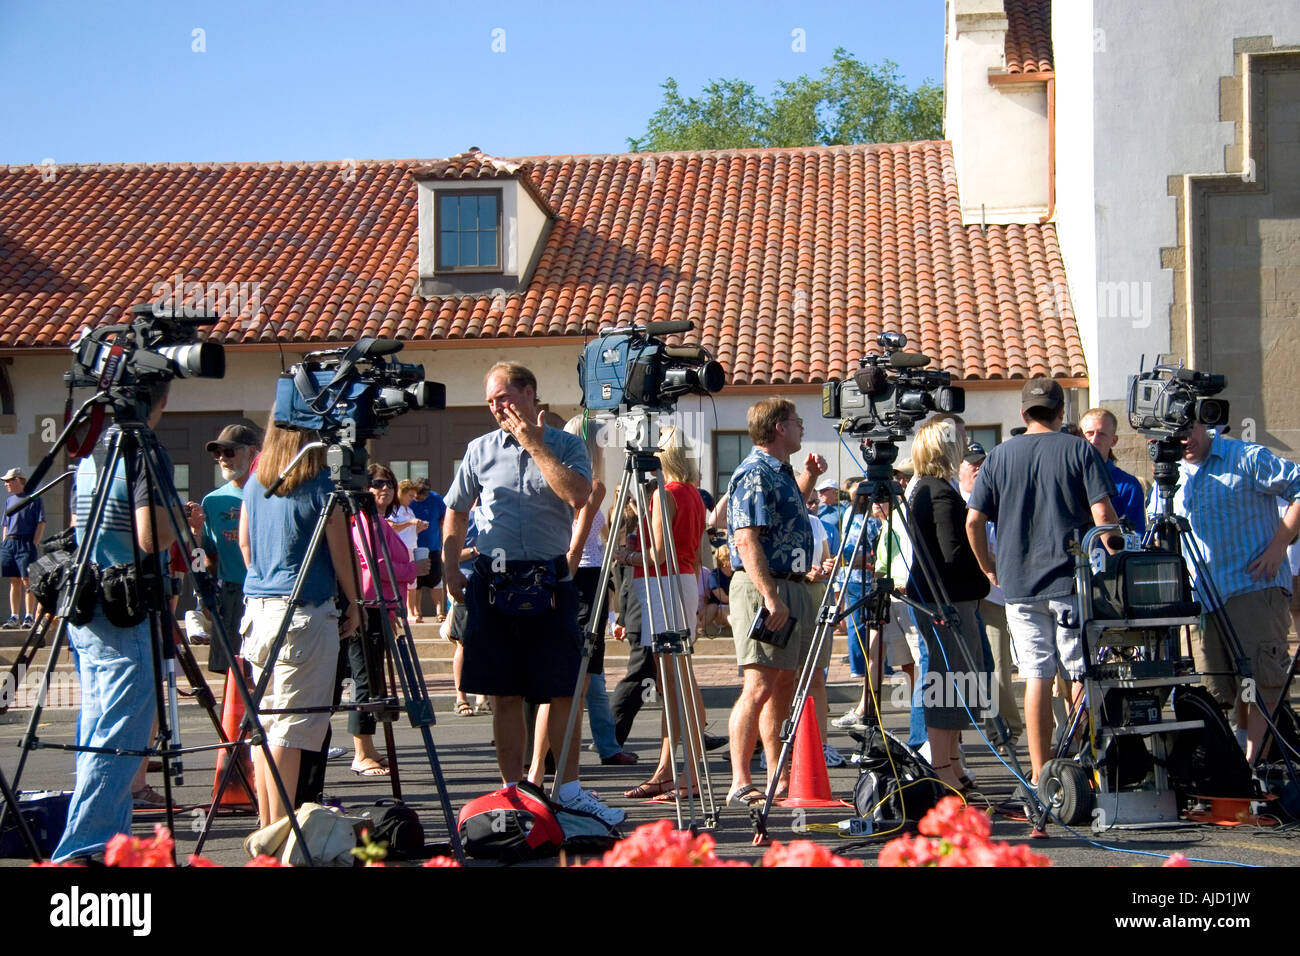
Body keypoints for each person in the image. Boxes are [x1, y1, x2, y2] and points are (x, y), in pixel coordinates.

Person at [442, 362, 623, 825]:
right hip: (494, 579)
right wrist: (448, 568)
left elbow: (578, 496)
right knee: (504, 693)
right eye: (490, 401)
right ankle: (512, 790)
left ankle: (566, 789)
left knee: (562, 690)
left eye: (502, 397)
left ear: (529, 393)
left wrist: (533, 445)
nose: (496, 407)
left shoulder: (565, 445)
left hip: (550, 578)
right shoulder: (478, 450)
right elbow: (456, 511)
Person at [966, 378, 1121, 783]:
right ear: (1061, 413)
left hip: (1018, 584)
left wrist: (989, 566)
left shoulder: (998, 456)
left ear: (1022, 414)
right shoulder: (1079, 450)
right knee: (1079, 674)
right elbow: (1103, 518)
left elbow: (973, 520)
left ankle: (1040, 775)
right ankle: (1087, 770)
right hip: (1071, 580)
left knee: (1036, 675)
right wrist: (1118, 561)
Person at [52, 382, 174, 861]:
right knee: (120, 738)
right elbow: (152, 536)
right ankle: (82, 848)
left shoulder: (92, 449)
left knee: (98, 728)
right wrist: (179, 526)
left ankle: (107, 845)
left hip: (89, 601)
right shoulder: (142, 449)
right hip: (127, 606)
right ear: (160, 399)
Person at [239, 414, 361, 828]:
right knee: (291, 728)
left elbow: (244, 542)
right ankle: (280, 827)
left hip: (259, 608)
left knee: (269, 721)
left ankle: (267, 822)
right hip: (304, 610)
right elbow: (341, 550)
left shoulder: (257, 484)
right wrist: (355, 601)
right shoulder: (321, 485)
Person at [724, 398, 829, 806]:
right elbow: (746, 539)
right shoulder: (754, 473)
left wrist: (807, 477)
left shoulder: (780, 472)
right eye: (797, 422)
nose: (802, 428)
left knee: (783, 683)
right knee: (758, 685)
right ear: (779, 428)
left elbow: (787, 516)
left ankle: (775, 774)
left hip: (791, 585)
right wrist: (770, 597)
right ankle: (739, 780)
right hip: (764, 587)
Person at [1173, 421, 1300, 760]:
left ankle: (1254, 766)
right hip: (1206, 598)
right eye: (1175, 435)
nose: (1184, 441)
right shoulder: (1170, 473)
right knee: (1227, 689)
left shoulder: (1245, 456)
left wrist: (1278, 548)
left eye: (1189, 432)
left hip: (1254, 588)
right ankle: (1241, 767)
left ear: (1203, 423)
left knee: (1260, 684)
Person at [620, 426, 710, 799]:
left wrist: (625, 556)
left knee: (676, 681)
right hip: (682, 581)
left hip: (664, 583)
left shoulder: (665, 494)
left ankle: (687, 771)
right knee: (675, 681)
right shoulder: (692, 494)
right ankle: (668, 769)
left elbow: (657, 555)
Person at [906, 420, 990, 794]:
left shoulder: (932, 488)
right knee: (946, 683)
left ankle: (951, 760)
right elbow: (951, 552)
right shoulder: (938, 492)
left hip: (946, 599)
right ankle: (941, 765)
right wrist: (984, 572)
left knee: (959, 681)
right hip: (946, 601)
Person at [348, 463, 428, 777]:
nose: (384, 489)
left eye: (389, 483)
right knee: (365, 679)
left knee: (372, 677)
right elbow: (376, 564)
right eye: (377, 483)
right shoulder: (367, 521)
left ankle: (368, 748)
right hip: (368, 604)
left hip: (380, 604)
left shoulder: (377, 520)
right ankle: (360, 751)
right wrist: (413, 571)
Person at [958, 441, 1023, 744]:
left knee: (998, 664)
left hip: (996, 593)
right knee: (968, 667)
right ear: (959, 468)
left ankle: (1004, 727)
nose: (978, 468)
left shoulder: (996, 500)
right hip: (967, 594)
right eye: (972, 463)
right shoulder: (956, 502)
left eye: (982, 463)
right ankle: (978, 729)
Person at [186, 423, 261, 677]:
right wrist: (204, 595)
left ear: (252, 453)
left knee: (263, 669)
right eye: (217, 453)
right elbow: (207, 556)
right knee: (233, 672)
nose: (222, 459)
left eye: (229, 452)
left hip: (266, 594)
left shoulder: (271, 494)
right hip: (230, 595)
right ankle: (238, 718)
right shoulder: (212, 501)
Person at [1080, 407, 1147, 534]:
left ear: (1114, 440)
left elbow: (1135, 536)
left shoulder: (1128, 485)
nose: (1094, 440)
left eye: (1101, 434)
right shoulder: (1067, 479)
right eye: (1089, 433)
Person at [2, 468, 45, 628]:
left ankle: (29, 616)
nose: (6, 484)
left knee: (27, 581)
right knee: (14, 581)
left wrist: (33, 543)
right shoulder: (9, 501)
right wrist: (4, 543)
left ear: (19, 480)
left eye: (9, 480)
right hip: (10, 544)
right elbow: (5, 524)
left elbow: (41, 522)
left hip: (26, 542)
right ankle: (14, 616)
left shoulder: (34, 499)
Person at [408, 476, 446, 621]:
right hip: (414, 547)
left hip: (433, 547)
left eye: (422, 495)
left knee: (436, 580)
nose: (419, 498)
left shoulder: (437, 499)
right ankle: (417, 612)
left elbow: (443, 519)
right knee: (416, 582)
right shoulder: (409, 501)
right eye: (417, 495)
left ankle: (440, 612)